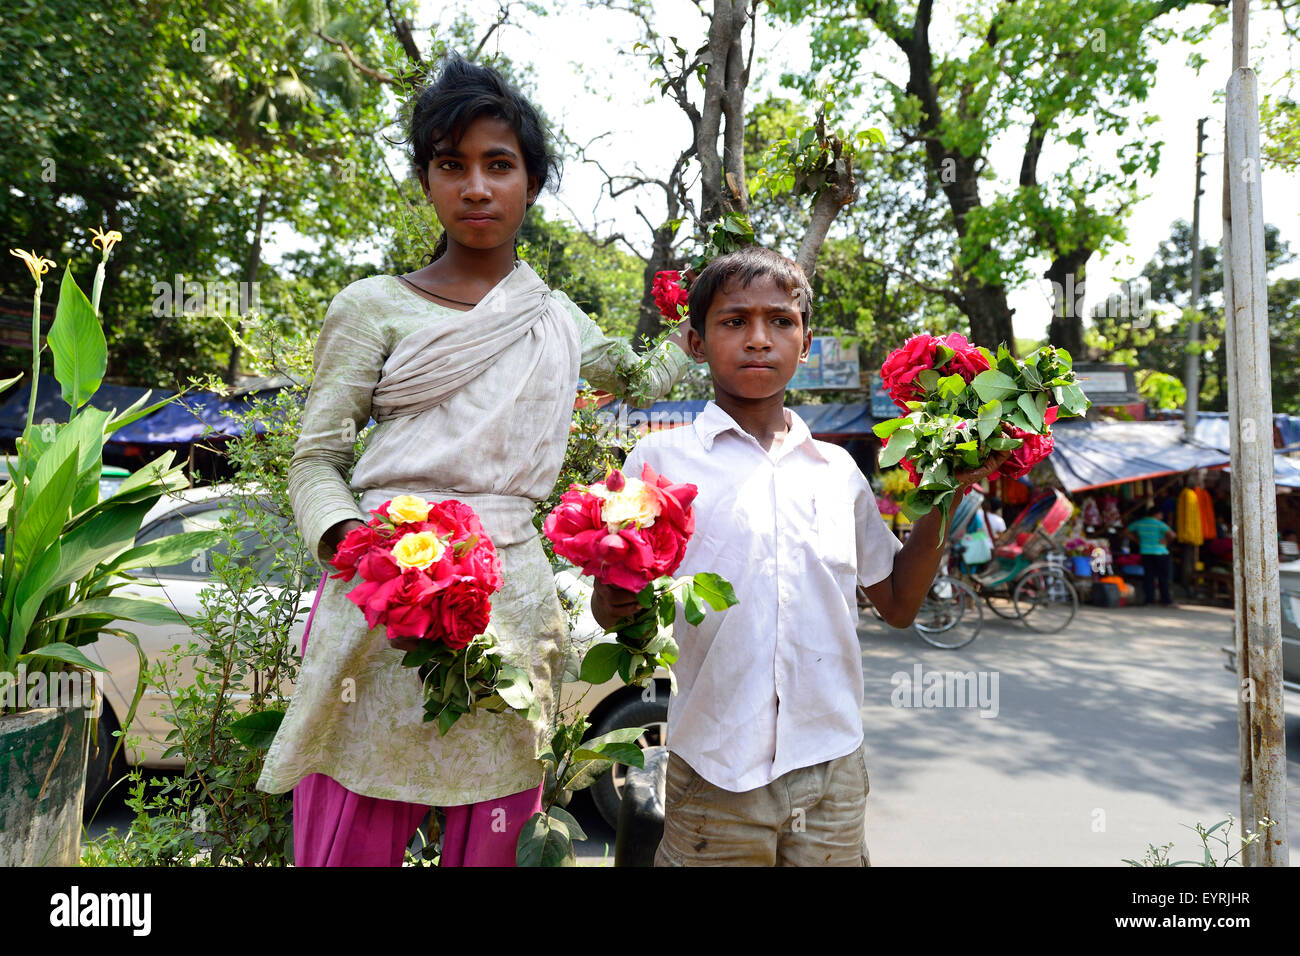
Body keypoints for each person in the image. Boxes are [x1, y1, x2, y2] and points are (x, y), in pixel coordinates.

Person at [255, 54, 691, 867]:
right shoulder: (370, 306)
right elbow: (315, 459)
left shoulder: (556, 318)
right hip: (381, 593)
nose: (477, 187)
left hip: (513, 599)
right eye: (452, 166)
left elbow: (644, 377)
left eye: (500, 165)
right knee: (353, 824)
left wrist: (705, 304)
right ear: (427, 182)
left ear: (531, 183)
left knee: (498, 825)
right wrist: (356, 547)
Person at [590, 247, 1012, 866]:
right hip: (713, 770)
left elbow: (896, 604)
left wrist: (950, 490)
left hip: (831, 771)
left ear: (806, 342)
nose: (758, 339)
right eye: (734, 321)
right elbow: (618, 615)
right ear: (696, 341)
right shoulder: (660, 465)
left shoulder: (838, 471)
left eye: (780, 322)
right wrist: (615, 591)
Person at [1125, 504, 1176, 606]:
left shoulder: (1140, 523)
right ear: (1157, 514)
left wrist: (1137, 540)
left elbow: (1126, 531)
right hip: (1160, 553)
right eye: (1161, 514)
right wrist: (1166, 540)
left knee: (1148, 577)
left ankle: (1149, 600)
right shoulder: (1159, 524)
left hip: (1146, 552)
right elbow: (1173, 535)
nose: (1162, 516)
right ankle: (1166, 600)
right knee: (1163, 578)